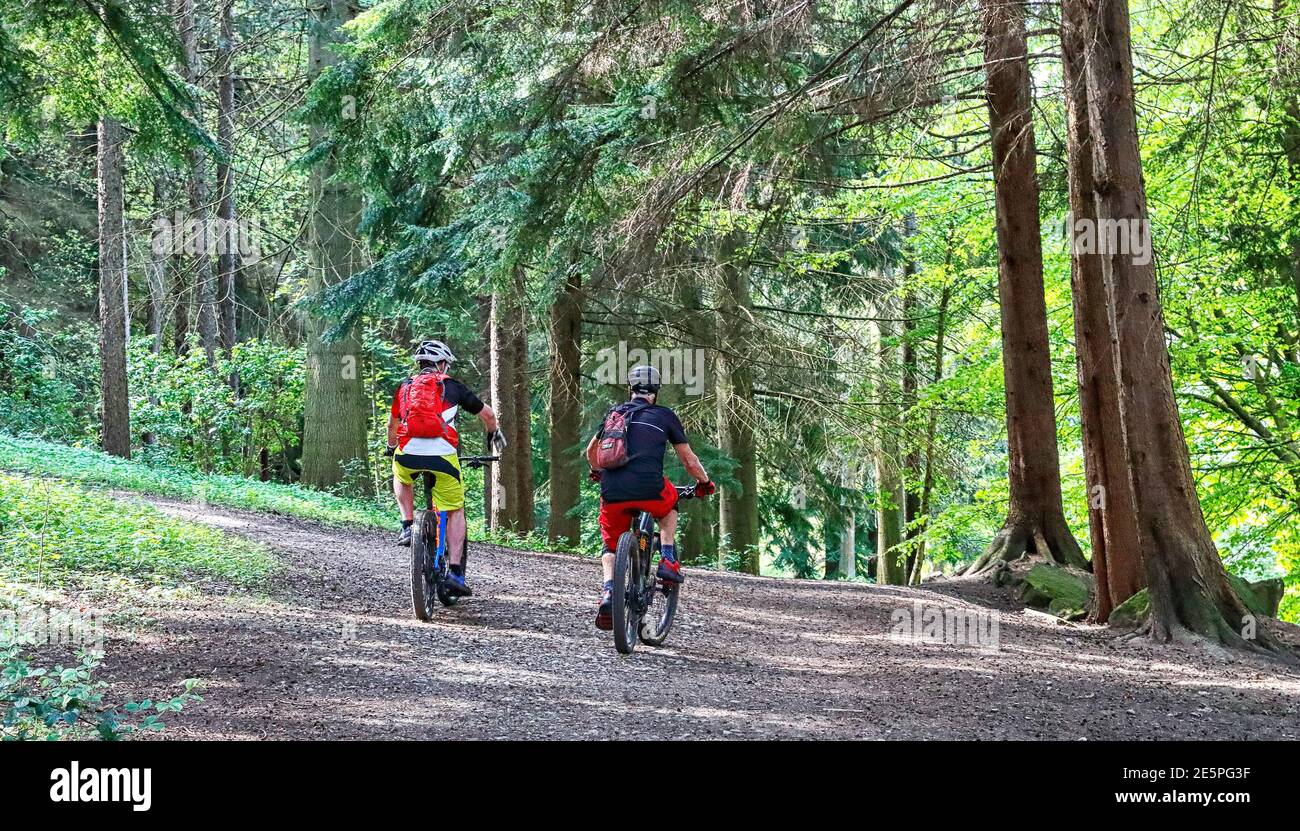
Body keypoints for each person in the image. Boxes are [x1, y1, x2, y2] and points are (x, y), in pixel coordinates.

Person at [585, 365, 714, 630]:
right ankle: (668, 558)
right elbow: (689, 461)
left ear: (630, 389)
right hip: (650, 489)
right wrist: (704, 483)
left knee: (610, 546)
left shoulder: (614, 413)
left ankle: (609, 590)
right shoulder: (665, 416)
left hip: (613, 491)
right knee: (669, 505)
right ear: (656, 392)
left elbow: (591, 451)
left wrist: (598, 473)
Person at [386, 340, 505, 597]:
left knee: (400, 474)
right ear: (442, 364)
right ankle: (455, 572)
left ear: (420, 364)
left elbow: (392, 426)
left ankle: (407, 524)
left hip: (408, 453)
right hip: (442, 456)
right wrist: (492, 434)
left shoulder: (405, 387)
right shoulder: (452, 386)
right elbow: (488, 415)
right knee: (455, 511)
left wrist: (391, 447)